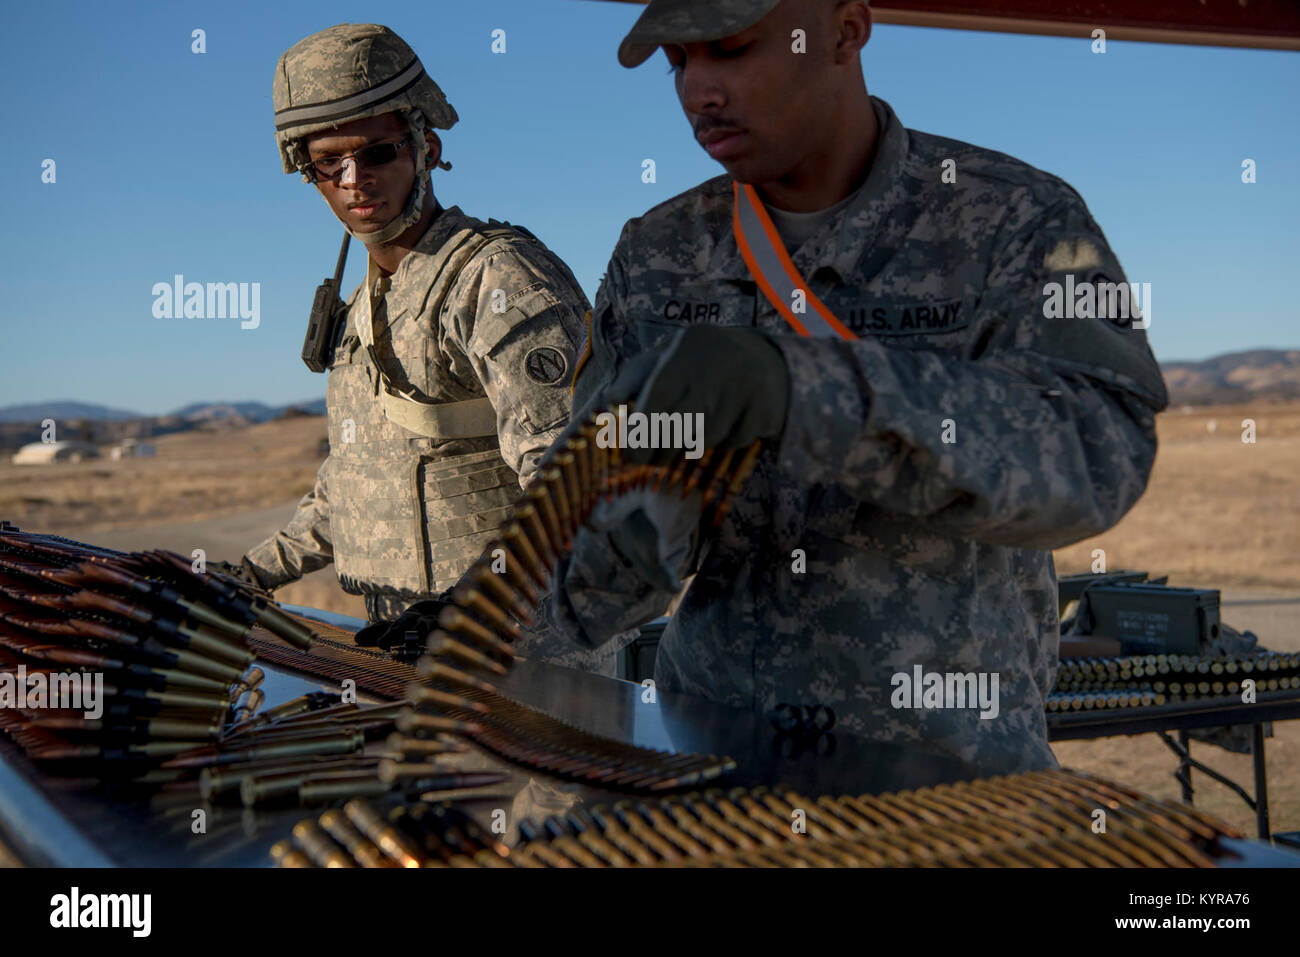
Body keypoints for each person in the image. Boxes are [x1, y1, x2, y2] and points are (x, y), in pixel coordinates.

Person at [549, 0, 1168, 771]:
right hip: (709, 767)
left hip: (949, 780)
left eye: (731, 50)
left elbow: (1097, 448)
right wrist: (611, 536)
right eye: (678, 63)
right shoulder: (657, 252)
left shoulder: (1020, 217)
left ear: (846, 29)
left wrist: (810, 392)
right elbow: (580, 548)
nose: (697, 92)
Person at [228, 23, 623, 673]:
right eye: (330, 162)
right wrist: (246, 575)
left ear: (426, 145)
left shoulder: (495, 278)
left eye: (377, 153)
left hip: (526, 656)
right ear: (309, 172)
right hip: (403, 646)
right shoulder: (360, 311)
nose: (354, 179)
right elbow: (351, 488)